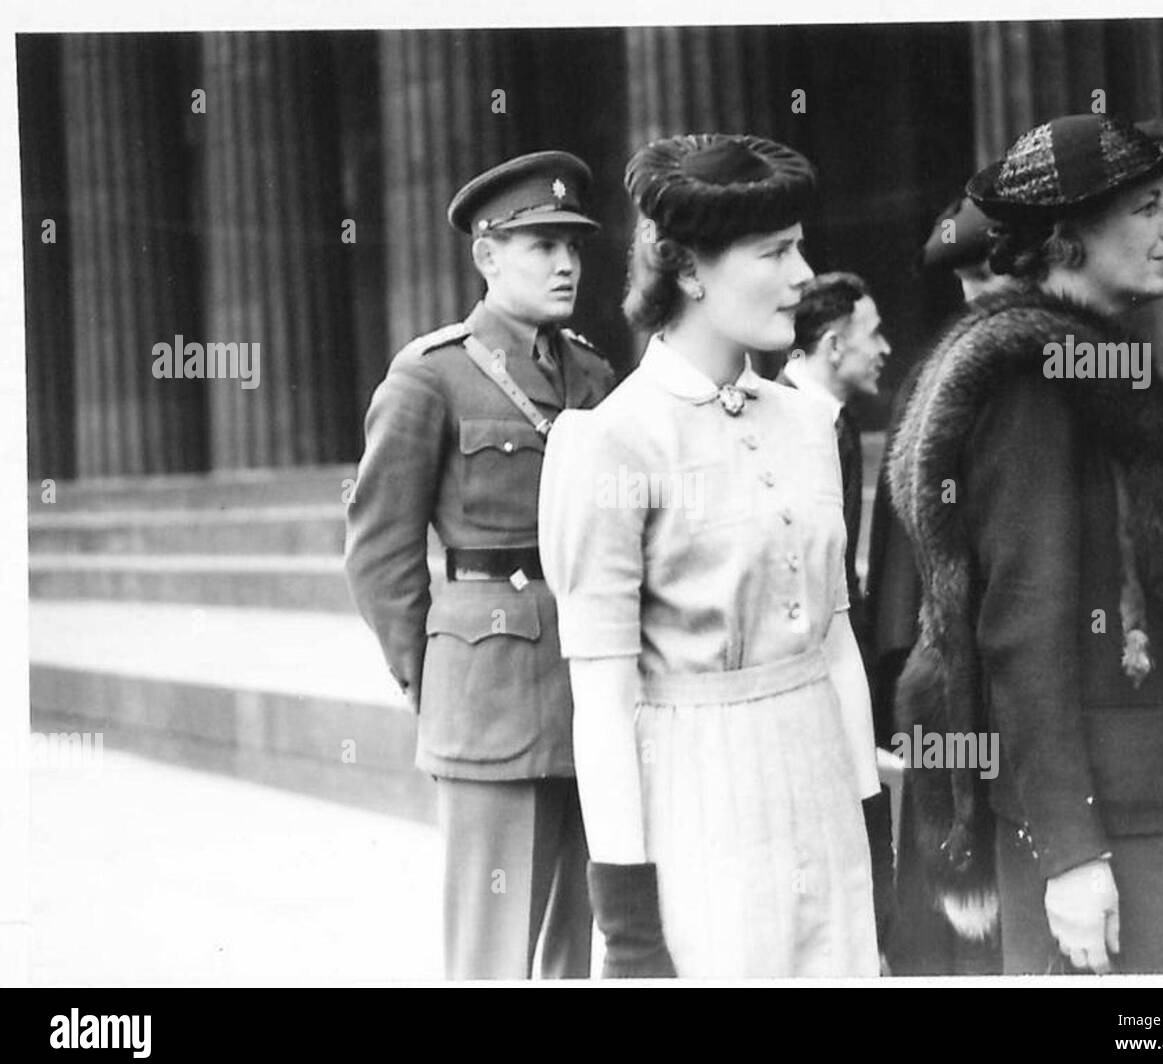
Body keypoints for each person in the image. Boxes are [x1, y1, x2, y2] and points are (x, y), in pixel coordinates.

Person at [888, 114, 1163, 974]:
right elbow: (1024, 628)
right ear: (1066, 239)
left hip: (1151, 806)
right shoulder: (1038, 385)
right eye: (1149, 207)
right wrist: (1071, 852)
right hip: (1104, 833)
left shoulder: (1087, 364)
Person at [538, 133, 881, 978]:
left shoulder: (806, 423)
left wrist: (875, 839)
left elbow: (836, 645)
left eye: (798, 245)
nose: (804, 274)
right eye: (775, 251)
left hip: (827, 807)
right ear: (687, 270)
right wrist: (627, 926)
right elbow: (605, 704)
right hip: (703, 819)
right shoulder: (610, 442)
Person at [344, 151, 615, 980]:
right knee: (492, 958)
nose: (566, 261)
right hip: (487, 694)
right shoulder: (430, 377)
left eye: (573, 243)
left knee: (580, 944)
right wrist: (432, 675)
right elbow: (379, 549)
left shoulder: (596, 373)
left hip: (593, 685)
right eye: (541, 243)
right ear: (488, 255)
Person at [870, 195, 1009, 975]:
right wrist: (898, 674)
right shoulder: (937, 380)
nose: (981, 296)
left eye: (994, 272)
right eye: (970, 278)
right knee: (949, 906)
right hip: (953, 678)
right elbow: (900, 555)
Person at [778, 272, 897, 954]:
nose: (885, 347)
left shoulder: (837, 423)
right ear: (830, 345)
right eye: (872, 332)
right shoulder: (784, 421)